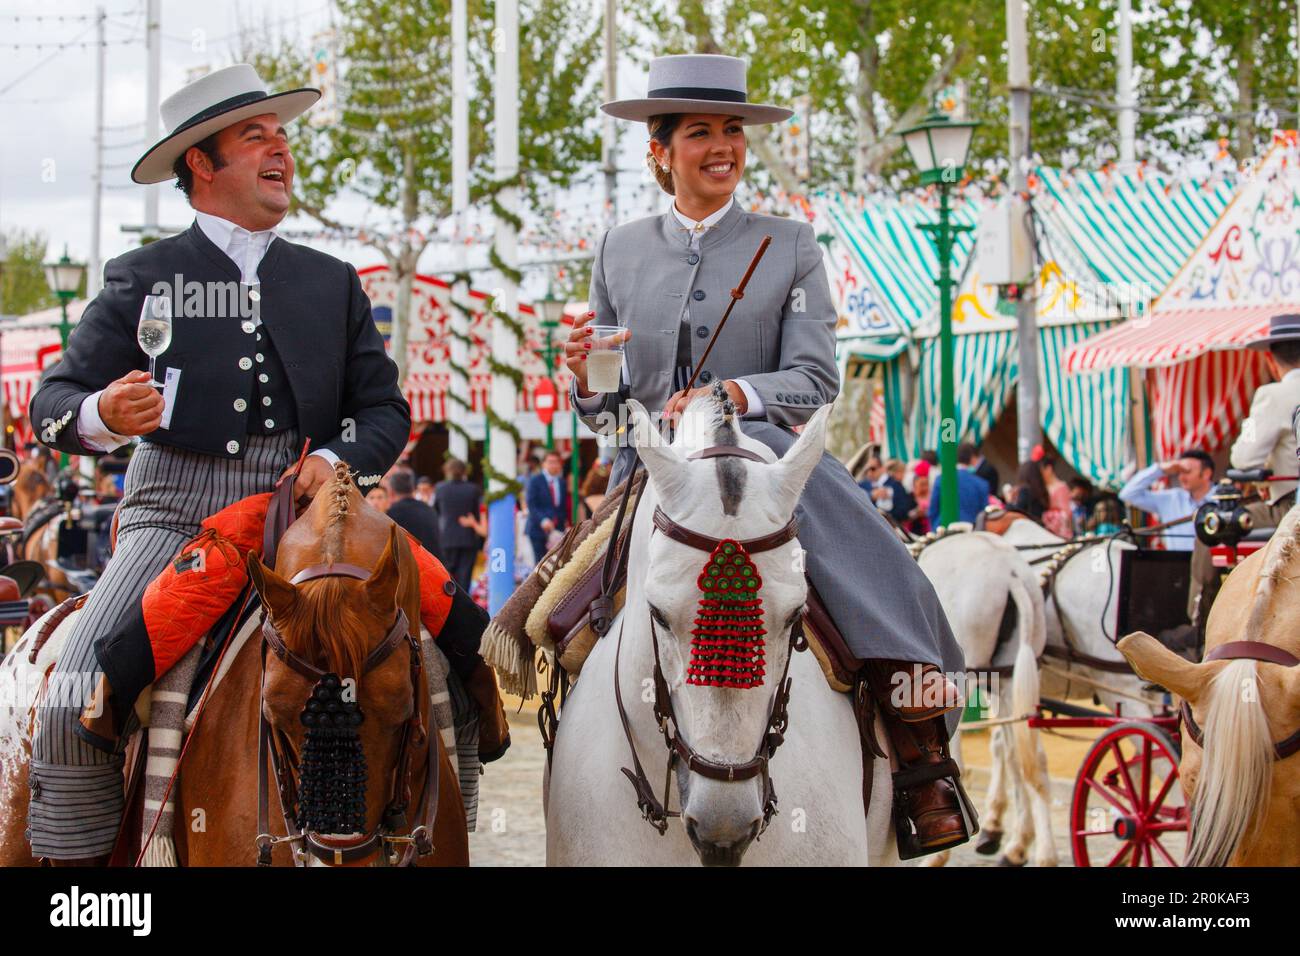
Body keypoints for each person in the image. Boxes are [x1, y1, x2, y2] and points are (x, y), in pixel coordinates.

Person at [565, 54, 971, 855]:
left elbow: (817, 379)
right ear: (660, 150)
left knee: (892, 588)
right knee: (542, 627)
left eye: (733, 131)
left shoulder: (789, 245)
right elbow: (612, 414)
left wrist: (729, 397)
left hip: (774, 463)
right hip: (651, 473)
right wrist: (588, 382)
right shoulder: (617, 249)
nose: (724, 146)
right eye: (702, 133)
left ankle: (924, 766)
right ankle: (569, 768)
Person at [24, 65, 410, 864]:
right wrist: (103, 414)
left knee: (453, 652)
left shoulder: (332, 283)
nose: (281, 150)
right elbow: (53, 400)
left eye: (283, 135)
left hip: (312, 518)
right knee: (70, 699)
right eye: (256, 136)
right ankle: (84, 885)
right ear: (202, 162)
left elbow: (385, 412)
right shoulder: (142, 274)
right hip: (174, 517)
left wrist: (333, 460)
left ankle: (436, 833)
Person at [1188, 313, 1300, 626]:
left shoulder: (1272, 395)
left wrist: (1263, 468)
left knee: (1209, 524)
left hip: (1290, 510)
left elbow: (1243, 457)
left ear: (1270, 359)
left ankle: (1199, 621)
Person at [1118, 449, 1215, 551]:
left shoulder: (1222, 498)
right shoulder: (1172, 498)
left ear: (1206, 474)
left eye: (1187, 471)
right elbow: (1127, 494)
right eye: (1179, 472)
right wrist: (1161, 469)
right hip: (1177, 563)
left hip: (1216, 564)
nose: (1181, 477)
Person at [434, 457, 483, 592]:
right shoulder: (473, 489)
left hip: (447, 537)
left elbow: (436, 511)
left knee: (447, 576)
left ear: (448, 471)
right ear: (464, 472)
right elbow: (476, 514)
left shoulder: (440, 488)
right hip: (468, 537)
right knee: (465, 577)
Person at [927, 444, 991, 528]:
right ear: (971, 458)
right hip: (972, 531)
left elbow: (932, 511)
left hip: (944, 529)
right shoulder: (982, 483)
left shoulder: (941, 479)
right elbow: (983, 514)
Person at [524, 449, 570, 563]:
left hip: (557, 531)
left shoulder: (561, 482)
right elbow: (531, 504)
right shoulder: (535, 480)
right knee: (540, 564)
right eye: (550, 462)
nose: (554, 465)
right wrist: (543, 520)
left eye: (556, 462)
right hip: (538, 529)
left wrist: (566, 524)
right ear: (544, 464)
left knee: (555, 564)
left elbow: (562, 507)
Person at [385, 468, 441, 557]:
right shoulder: (429, 509)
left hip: (411, 566)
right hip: (435, 564)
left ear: (391, 491)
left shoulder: (391, 514)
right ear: (413, 489)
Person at [1038, 455, 1074, 539]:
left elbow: (1066, 513)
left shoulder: (1061, 487)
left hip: (1059, 530)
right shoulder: (1044, 487)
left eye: (1041, 471)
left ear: (1049, 469)